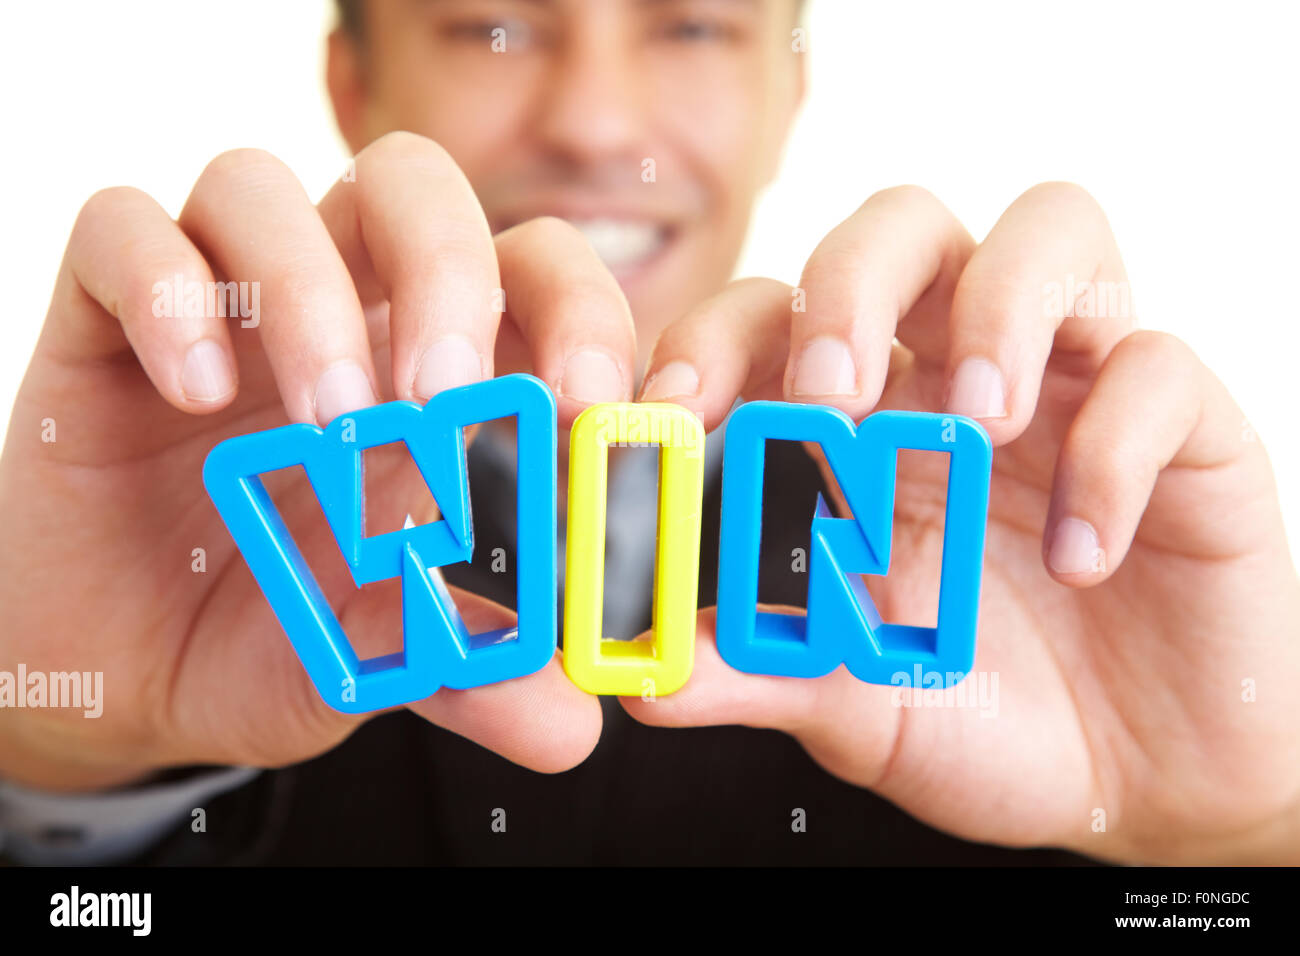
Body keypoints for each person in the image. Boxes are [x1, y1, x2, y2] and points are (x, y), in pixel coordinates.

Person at [1, 0, 1297, 866]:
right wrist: (58, 759)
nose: (597, 122)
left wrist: (1223, 842)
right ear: (351, 77)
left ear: (791, 92)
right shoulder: (252, 558)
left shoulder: (960, 609)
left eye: (689, 21)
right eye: (494, 24)